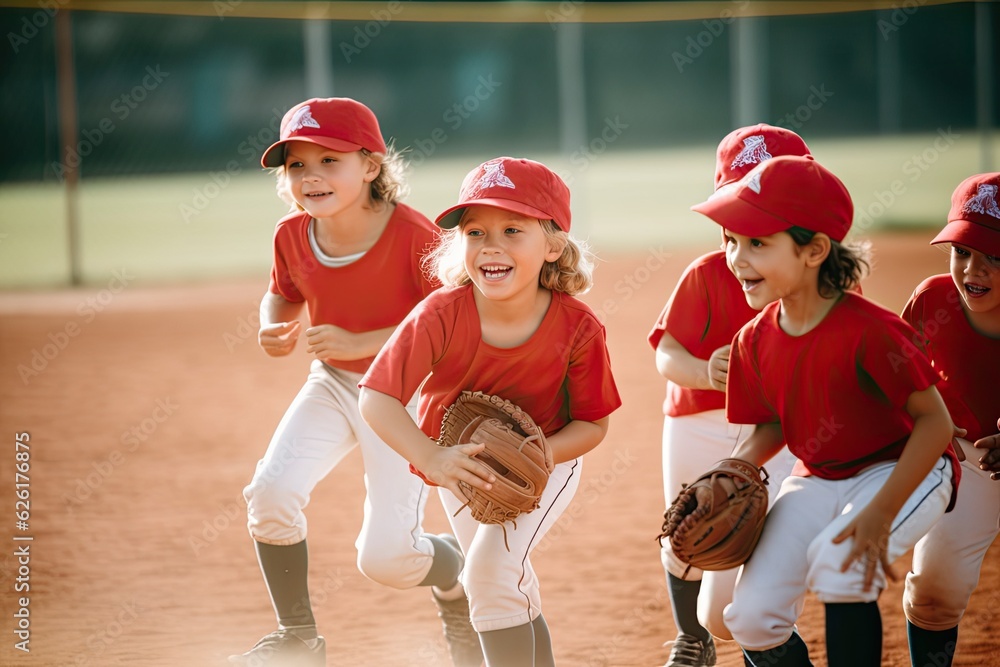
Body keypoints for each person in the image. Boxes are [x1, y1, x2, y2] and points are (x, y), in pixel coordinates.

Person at [230, 97, 484, 667]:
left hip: (403, 395)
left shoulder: (415, 234)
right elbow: (283, 292)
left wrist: (362, 342)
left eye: (329, 160)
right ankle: (298, 635)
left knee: (388, 561)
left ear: (371, 166)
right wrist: (274, 323)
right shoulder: (292, 234)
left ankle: (456, 576)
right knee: (270, 495)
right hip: (333, 385)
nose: (311, 176)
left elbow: (451, 322)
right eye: (296, 165)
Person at [690, 154, 961, 666]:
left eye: (757, 243)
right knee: (750, 616)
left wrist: (881, 513)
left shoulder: (871, 330)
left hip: (902, 467)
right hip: (819, 476)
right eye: (730, 240)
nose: (736, 258)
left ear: (814, 250)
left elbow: (935, 422)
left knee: (843, 563)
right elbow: (769, 424)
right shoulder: (753, 339)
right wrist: (734, 468)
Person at [358, 156, 622, 667]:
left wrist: (540, 451)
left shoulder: (577, 326)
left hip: (546, 462)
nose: (491, 245)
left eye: (512, 229)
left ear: (552, 246)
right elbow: (377, 397)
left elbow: (593, 423)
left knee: (488, 572)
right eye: (475, 232)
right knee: (504, 578)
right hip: (460, 463)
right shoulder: (441, 312)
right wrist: (432, 459)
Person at [647, 124, 806, 666]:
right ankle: (692, 640)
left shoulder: (819, 282)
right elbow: (665, 354)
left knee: (743, 550)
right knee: (687, 535)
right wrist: (701, 371)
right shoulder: (708, 273)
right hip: (699, 418)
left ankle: (751, 632)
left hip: (778, 432)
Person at [902, 172, 1000, 667]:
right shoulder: (932, 299)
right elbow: (898, 383)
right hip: (972, 463)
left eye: (994, 256)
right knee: (934, 591)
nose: (972, 270)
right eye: (962, 251)